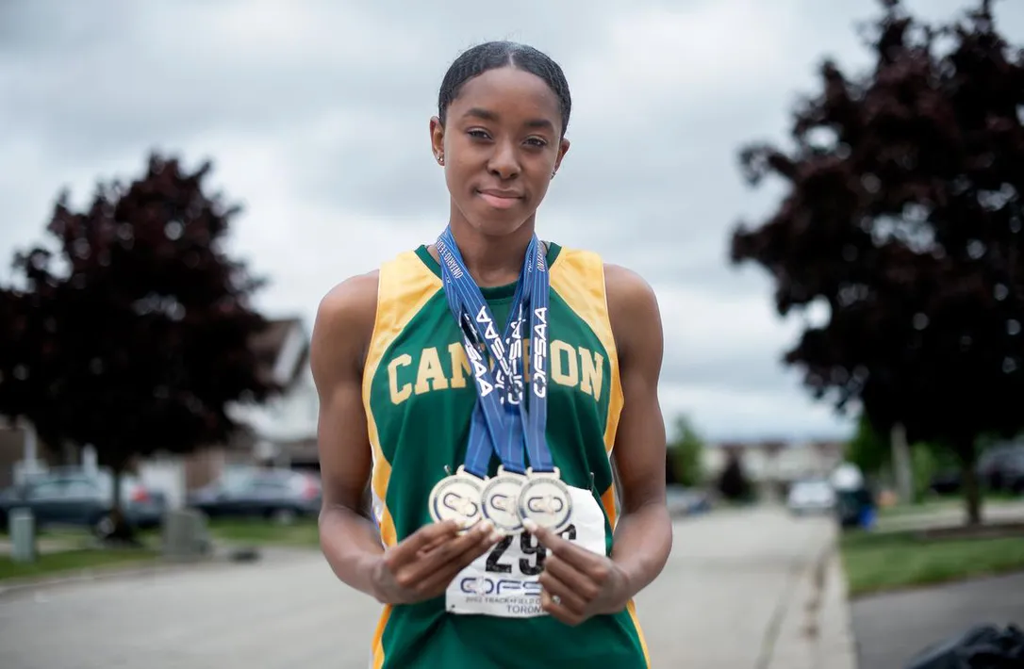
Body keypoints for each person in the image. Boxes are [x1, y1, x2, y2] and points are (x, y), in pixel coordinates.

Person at [311, 40, 672, 669]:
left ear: (559, 156)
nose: (505, 162)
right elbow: (340, 507)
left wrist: (624, 578)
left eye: (534, 141)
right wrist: (377, 574)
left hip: (593, 651)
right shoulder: (359, 313)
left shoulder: (618, 302)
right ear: (437, 139)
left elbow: (648, 504)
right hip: (428, 652)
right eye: (479, 133)